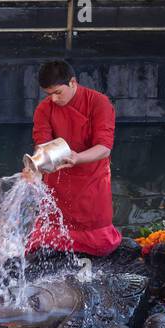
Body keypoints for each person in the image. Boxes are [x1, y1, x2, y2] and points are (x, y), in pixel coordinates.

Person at [25, 59, 122, 256]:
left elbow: (104, 147)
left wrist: (78, 158)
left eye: (58, 93)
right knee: (48, 235)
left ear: (73, 82)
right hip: (57, 178)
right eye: (48, 94)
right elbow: (41, 143)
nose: (53, 99)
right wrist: (34, 166)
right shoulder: (44, 109)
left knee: (98, 242)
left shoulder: (98, 103)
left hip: (91, 178)